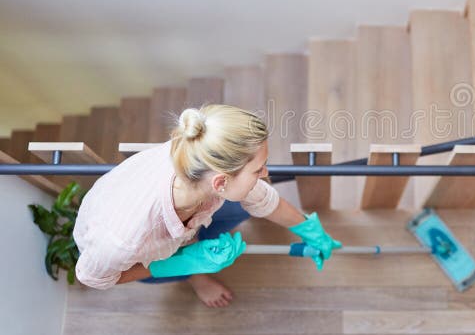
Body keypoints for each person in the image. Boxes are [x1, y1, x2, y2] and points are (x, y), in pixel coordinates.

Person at [73, 104, 341, 307]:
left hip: (186, 213)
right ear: (220, 183)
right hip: (137, 247)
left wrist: (309, 229)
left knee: (241, 205)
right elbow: (95, 277)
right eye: (258, 169)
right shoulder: (123, 240)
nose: (266, 173)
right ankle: (193, 277)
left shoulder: (202, 160)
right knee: (173, 265)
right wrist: (185, 263)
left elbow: (263, 198)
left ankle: (192, 251)